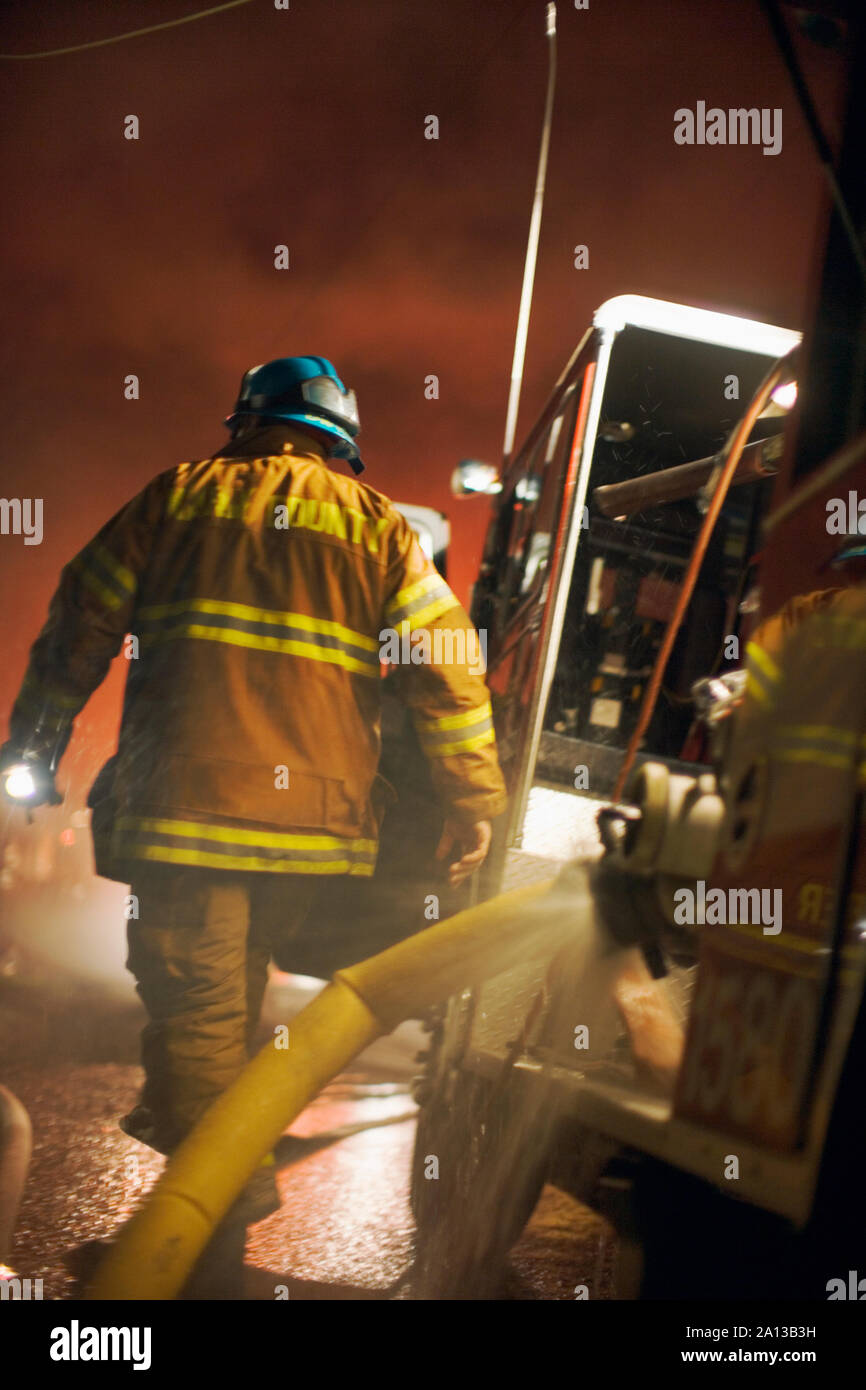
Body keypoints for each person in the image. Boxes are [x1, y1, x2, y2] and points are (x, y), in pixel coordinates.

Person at [0, 355, 507, 1285]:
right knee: (227, 1018)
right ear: (343, 440)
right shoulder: (383, 529)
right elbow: (448, 669)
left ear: (247, 420)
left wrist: (31, 747)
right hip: (311, 835)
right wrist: (474, 800)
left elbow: (79, 621)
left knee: (196, 1017)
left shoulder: (179, 499)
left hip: (186, 816)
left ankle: (217, 1228)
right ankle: (211, 1225)